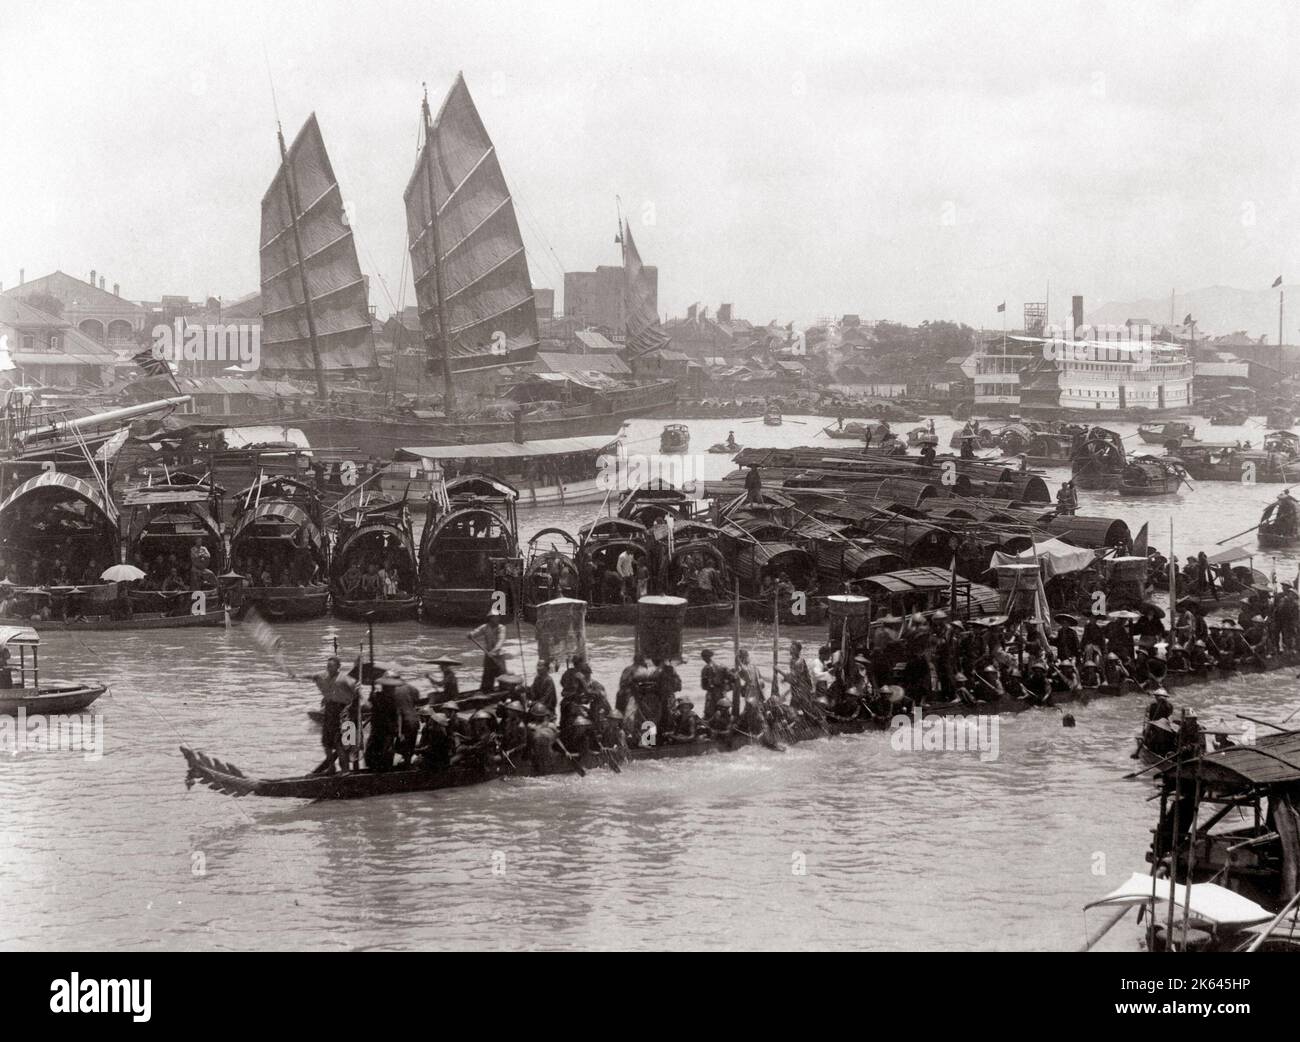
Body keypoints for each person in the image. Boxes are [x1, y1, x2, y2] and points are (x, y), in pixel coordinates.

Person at [312, 656, 359, 774]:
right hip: (329, 711)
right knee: (326, 742)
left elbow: (356, 691)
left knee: (341, 743)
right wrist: (295, 676)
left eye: (331, 666)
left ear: (338, 667)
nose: (328, 668)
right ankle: (331, 767)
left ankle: (345, 770)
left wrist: (356, 701)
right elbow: (312, 676)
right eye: (327, 666)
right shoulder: (325, 677)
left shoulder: (344, 678)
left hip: (342, 712)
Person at [469, 614, 507, 693]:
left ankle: (504, 691)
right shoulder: (485, 627)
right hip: (488, 655)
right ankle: (487, 691)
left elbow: (501, 640)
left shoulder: (501, 628)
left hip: (499, 656)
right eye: (495, 617)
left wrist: (494, 651)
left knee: (502, 676)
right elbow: (476, 632)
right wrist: (471, 634)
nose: (498, 618)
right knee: (487, 676)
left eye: (498, 617)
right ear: (491, 618)